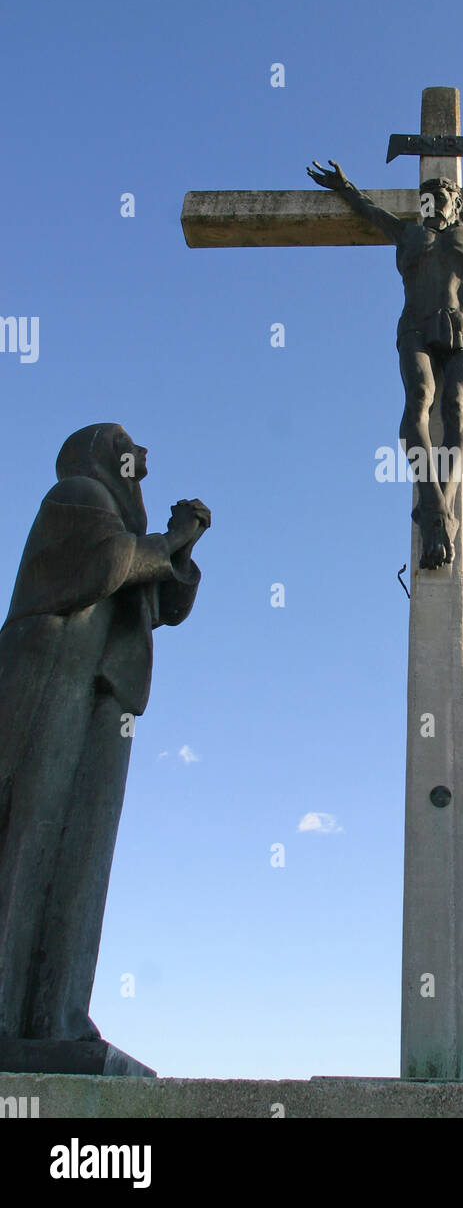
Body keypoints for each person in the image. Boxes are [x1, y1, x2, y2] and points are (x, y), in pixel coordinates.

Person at [0, 424, 209, 1042]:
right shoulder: (79, 495)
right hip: (53, 674)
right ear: (100, 451)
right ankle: (9, 1009)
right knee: (30, 832)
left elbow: (161, 607)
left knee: (82, 852)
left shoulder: (115, 516)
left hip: (102, 690)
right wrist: (168, 539)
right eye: (128, 444)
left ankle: (55, 1014)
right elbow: (109, 566)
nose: (143, 454)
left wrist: (183, 550)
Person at [307, 157, 463, 568]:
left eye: (442, 196)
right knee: (419, 400)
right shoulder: (407, 235)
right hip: (416, 325)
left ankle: (437, 511)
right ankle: (437, 509)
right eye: (427, 198)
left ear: (456, 202)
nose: (434, 202)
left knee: (456, 405)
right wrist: (344, 186)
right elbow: (370, 212)